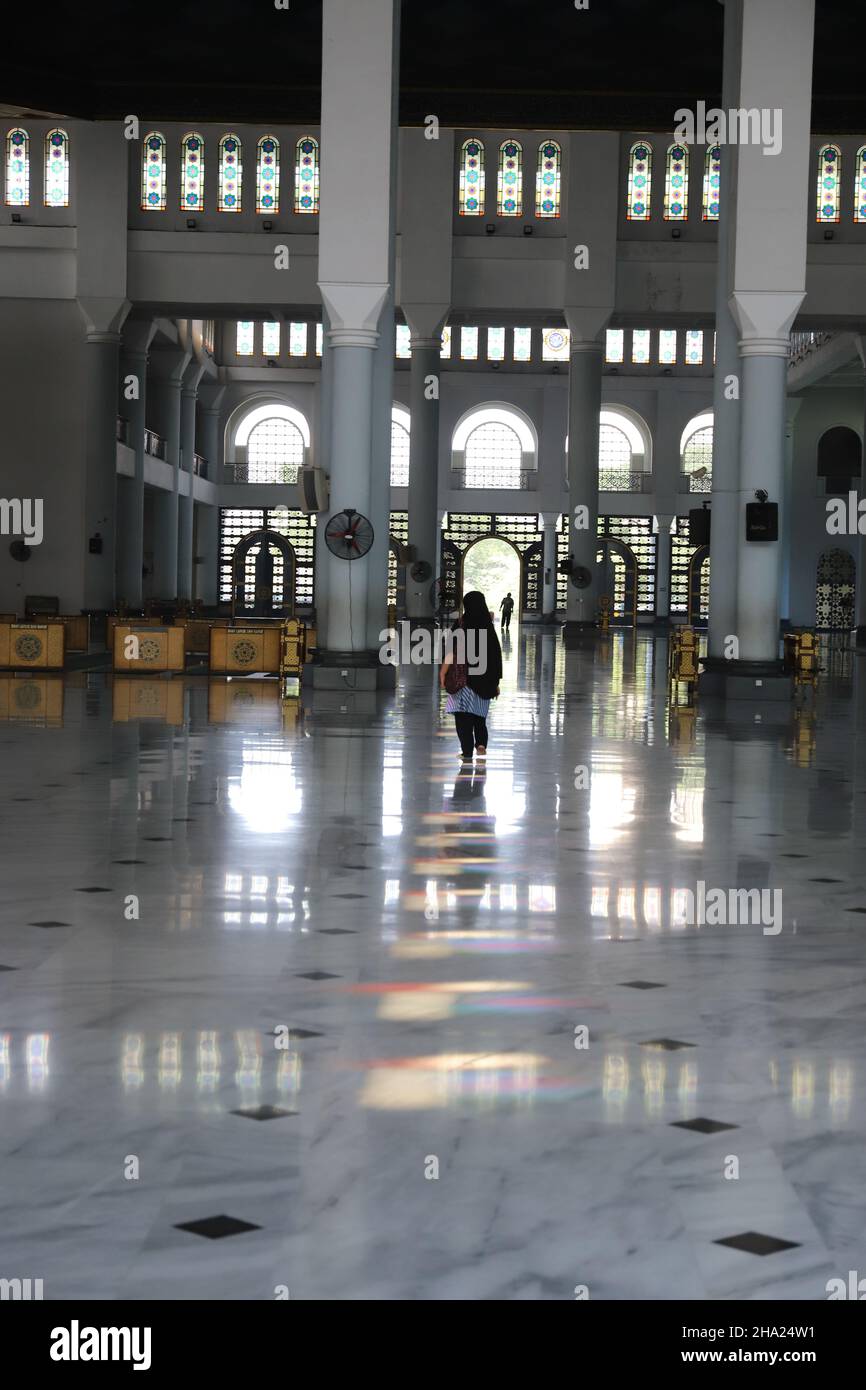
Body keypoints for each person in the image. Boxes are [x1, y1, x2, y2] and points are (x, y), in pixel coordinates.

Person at [439, 589, 503, 762]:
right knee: (479, 716)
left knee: (463, 718)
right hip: (484, 681)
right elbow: (495, 657)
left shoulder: (460, 624)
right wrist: (495, 683)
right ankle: (481, 744)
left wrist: (443, 672)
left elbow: (451, 652)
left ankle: (467, 751)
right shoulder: (488, 627)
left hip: (463, 680)